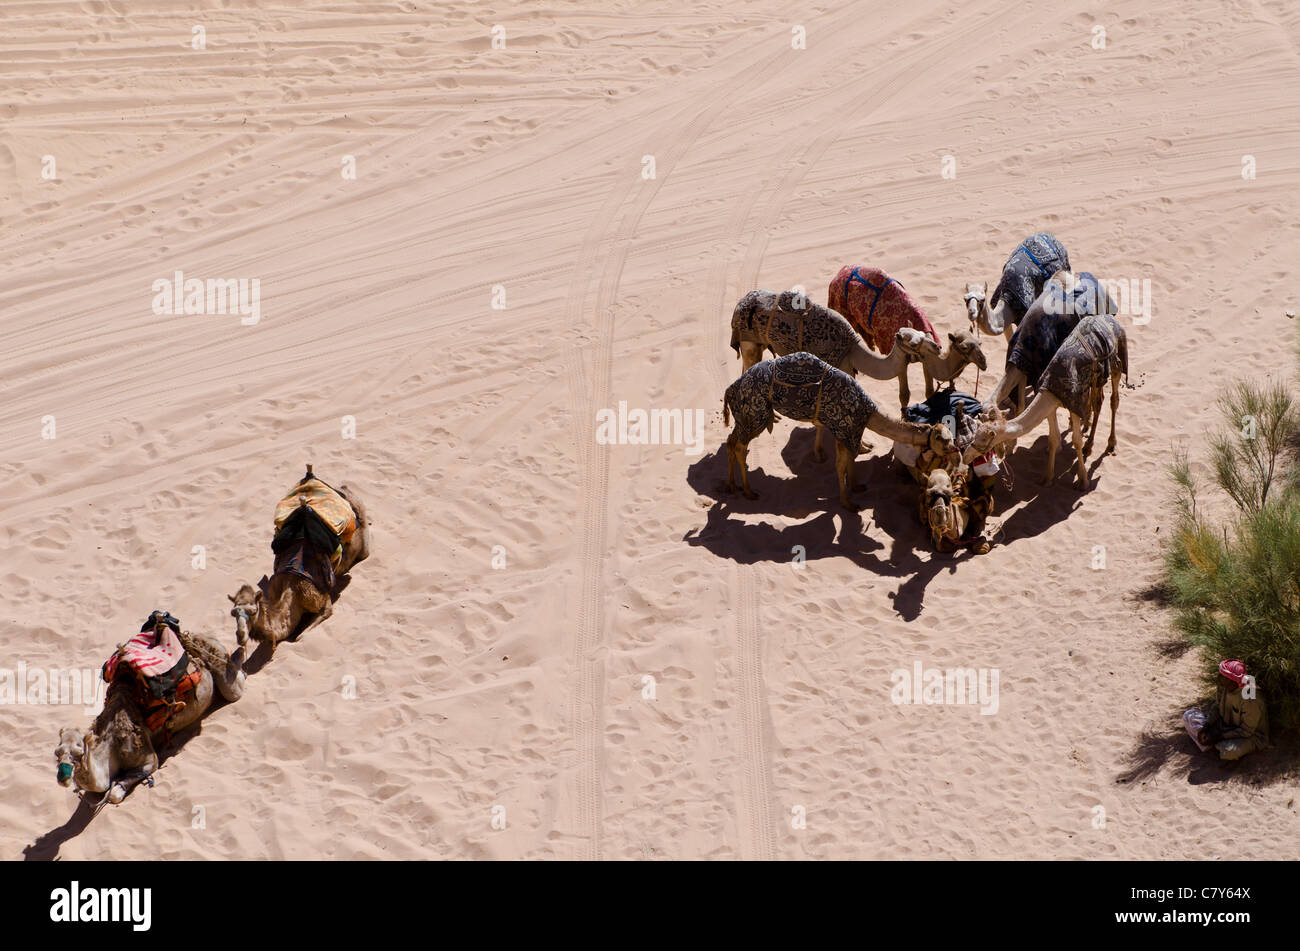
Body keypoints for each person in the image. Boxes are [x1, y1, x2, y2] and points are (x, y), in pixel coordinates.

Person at [1184, 659, 1269, 762]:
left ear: (1232, 680)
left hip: (1249, 736)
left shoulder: (1250, 698)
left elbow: (1246, 731)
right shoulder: (1223, 686)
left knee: (1228, 751)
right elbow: (1217, 707)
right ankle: (1212, 745)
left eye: (1223, 676)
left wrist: (1219, 736)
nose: (1219, 678)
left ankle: (1212, 746)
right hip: (1224, 726)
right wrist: (1207, 725)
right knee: (1188, 715)